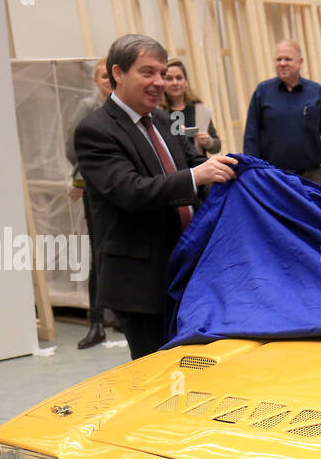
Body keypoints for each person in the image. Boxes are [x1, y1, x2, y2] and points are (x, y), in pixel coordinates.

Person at [74, 34, 238, 360]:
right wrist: (197, 175)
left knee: (195, 365)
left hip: (187, 270)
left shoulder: (164, 120)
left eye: (162, 73)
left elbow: (193, 162)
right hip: (142, 284)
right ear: (118, 73)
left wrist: (235, 175)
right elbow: (131, 191)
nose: (159, 82)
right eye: (148, 72)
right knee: (158, 371)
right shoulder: (96, 130)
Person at [242, 40, 321, 184]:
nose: (282, 63)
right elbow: (251, 134)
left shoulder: (316, 92)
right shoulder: (262, 92)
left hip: (310, 175)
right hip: (273, 176)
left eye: (288, 59)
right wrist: (251, 169)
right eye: (279, 59)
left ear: (300, 62)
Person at [63, 60, 113, 350]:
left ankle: (118, 317)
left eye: (110, 75)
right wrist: (92, 170)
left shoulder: (123, 108)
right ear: (96, 80)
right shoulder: (87, 107)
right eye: (102, 76)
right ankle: (96, 322)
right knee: (98, 253)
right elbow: (72, 147)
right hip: (95, 188)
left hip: (119, 188)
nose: (107, 80)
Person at [161, 59, 221, 156]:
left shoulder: (200, 110)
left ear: (186, 81)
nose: (175, 83)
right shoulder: (156, 112)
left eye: (179, 78)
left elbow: (217, 147)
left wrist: (208, 141)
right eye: (169, 79)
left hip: (200, 163)